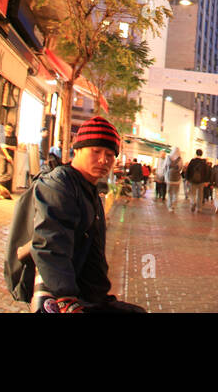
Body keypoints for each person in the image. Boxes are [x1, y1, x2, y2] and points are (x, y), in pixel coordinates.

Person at [29, 116, 144, 313]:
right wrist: (66, 297)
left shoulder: (90, 190)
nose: (103, 160)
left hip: (90, 297)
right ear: (78, 149)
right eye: (96, 151)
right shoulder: (60, 184)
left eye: (109, 154)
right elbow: (49, 243)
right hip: (64, 297)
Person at [185, 149, 212, 213]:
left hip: (192, 180)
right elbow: (207, 172)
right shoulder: (204, 162)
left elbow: (188, 170)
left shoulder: (192, 161)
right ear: (201, 154)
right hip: (201, 181)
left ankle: (193, 202)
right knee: (200, 194)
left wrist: (187, 179)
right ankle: (199, 208)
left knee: (192, 193)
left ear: (196, 153)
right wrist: (206, 181)